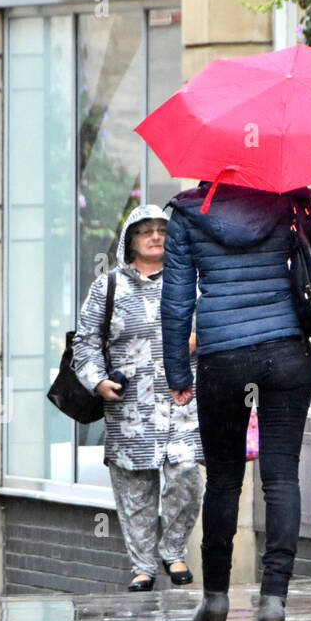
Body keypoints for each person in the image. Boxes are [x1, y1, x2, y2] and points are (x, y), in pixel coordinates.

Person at [161, 182, 311, 621]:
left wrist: (177, 373)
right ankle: (273, 601)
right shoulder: (287, 200)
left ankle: (215, 596)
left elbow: (176, 302)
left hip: (223, 358)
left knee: (225, 480)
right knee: (282, 476)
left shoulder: (188, 214)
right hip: (286, 350)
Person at [73, 205, 203, 592]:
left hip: (182, 403)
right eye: (145, 230)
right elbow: (85, 343)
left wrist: (199, 339)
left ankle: (173, 550)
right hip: (128, 408)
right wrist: (96, 381)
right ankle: (143, 566)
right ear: (130, 239)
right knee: (135, 489)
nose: (155, 236)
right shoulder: (107, 286)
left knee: (185, 476)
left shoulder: (189, 282)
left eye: (161, 229)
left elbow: (214, 324)